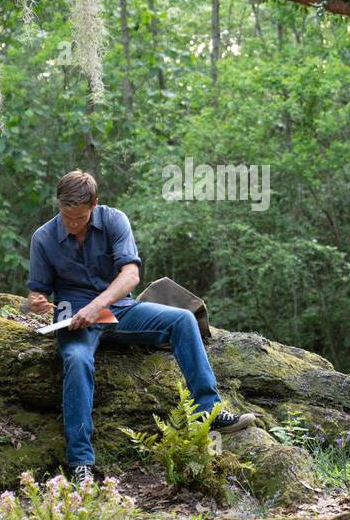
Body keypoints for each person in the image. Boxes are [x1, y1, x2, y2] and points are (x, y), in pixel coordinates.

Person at [27, 170, 255, 489]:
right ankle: (81, 462)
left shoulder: (115, 220)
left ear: (95, 204)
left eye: (79, 218)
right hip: (75, 318)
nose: (72, 224)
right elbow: (37, 292)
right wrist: (36, 302)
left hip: (119, 308)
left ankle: (209, 411)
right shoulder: (43, 237)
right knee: (77, 361)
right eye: (66, 216)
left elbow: (131, 275)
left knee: (183, 320)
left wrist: (99, 305)